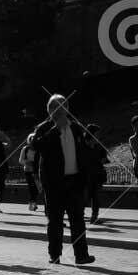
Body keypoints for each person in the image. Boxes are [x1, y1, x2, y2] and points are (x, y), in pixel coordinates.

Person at [27, 93, 97, 265]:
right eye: (57, 108)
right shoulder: (44, 128)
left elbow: (83, 152)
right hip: (54, 183)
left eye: (64, 107)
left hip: (75, 181)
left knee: (78, 220)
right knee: (55, 220)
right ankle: (55, 254)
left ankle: (81, 255)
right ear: (50, 111)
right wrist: (55, 129)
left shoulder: (76, 127)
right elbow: (37, 146)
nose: (61, 111)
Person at [85, 123, 108, 224]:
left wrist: (103, 160)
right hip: (86, 176)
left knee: (96, 197)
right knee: (85, 197)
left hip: (97, 175)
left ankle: (94, 216)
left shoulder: (99, 146)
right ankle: (79, 215)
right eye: (96, 134)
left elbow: (105, 157)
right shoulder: (83, 145)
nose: (98, 136)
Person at [19, 135, 39, 212]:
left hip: (36, 170)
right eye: (31, 140)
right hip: (28, 170)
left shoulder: (38, 149)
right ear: (29, 140)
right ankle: (32, 203)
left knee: (37, 187)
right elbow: (20, 160)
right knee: (31, 187)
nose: (32, 141)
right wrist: (27, 162)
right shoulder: (25, 149)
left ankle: (33, 202)